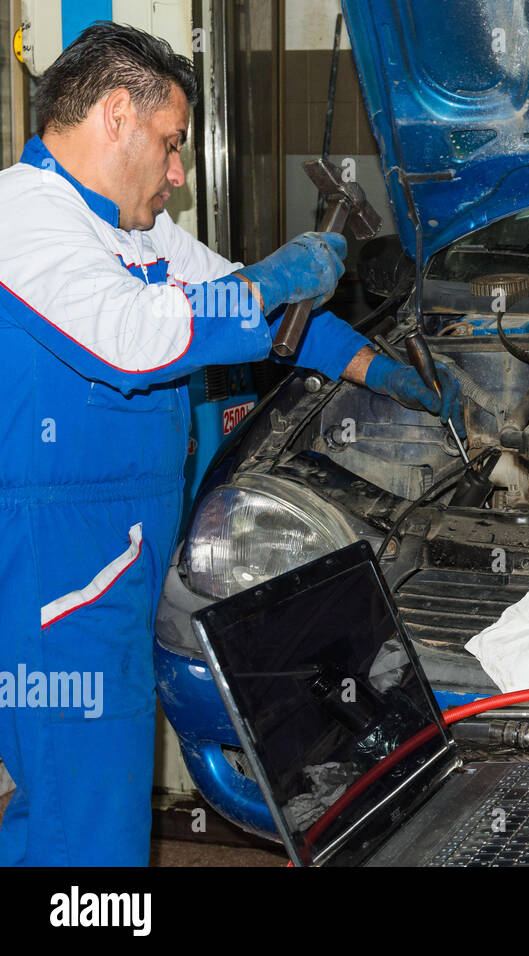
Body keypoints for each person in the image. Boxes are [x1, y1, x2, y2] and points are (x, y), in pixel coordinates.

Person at [0, 21, 461, 865]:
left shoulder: (132, 230)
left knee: (86, 796)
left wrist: (384, 374)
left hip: (123, 548)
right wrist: (272, 279)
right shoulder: (21, 219)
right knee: (86, 818)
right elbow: (136, 340)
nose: (179, 174)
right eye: (173, 145)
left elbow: (243, 311)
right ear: (114, 116)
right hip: (56, 566)